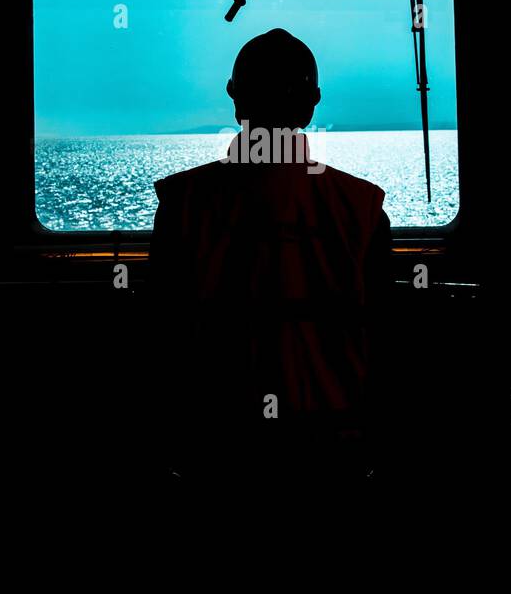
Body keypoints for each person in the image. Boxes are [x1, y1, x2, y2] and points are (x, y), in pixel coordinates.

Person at [151, 28, 391, 478]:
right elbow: (384, 340)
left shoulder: (182, 204)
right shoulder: (362, 208)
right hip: (334, 445)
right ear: (313, 101)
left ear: (234, 98)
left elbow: (162, 336)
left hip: (216, 446)